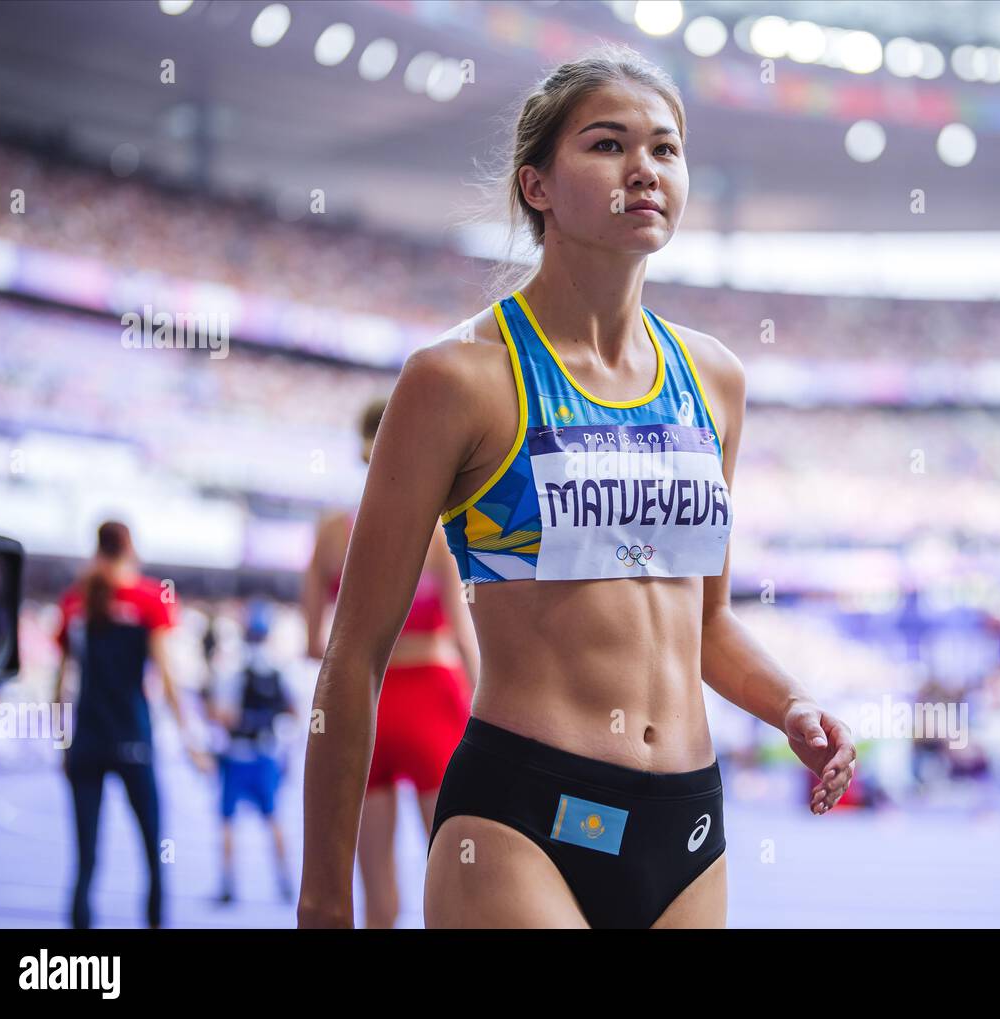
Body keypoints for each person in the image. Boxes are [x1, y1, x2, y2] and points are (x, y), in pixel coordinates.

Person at [298, 44, 855, 930]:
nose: (644, 168)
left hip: (687, 825)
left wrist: (790, 702)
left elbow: (705, 621)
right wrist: (325, 900)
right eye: (607, 144)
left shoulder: (715, 379)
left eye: (665, 148)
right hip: (522, 816)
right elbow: (355, 651)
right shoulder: (457, 378)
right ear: (537, 185)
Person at [302, 398, 477, 928]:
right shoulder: (438, 532)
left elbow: (314, 643)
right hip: (432, 701)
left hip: (362, 699)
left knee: (375, 891)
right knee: (453, 879)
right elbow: (462, 635)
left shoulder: (331, 533)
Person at [53, 520, 210, 929]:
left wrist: (62, 741)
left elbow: (61, 683)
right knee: (153, 848)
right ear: (130, 548)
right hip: (132, 738)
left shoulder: (75, 600)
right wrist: (191, 740)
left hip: (86, 741)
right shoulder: (148, 598)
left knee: (85, 857)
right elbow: (166, 677)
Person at [206, 598, 296, 905]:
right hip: (265, 754)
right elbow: (292, 711)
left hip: (237, 755)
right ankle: (285, 882)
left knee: (227, 821)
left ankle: (227, 884)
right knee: (272, 818)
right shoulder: (276, 668)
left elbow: (223, 715)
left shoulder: (234, 666)